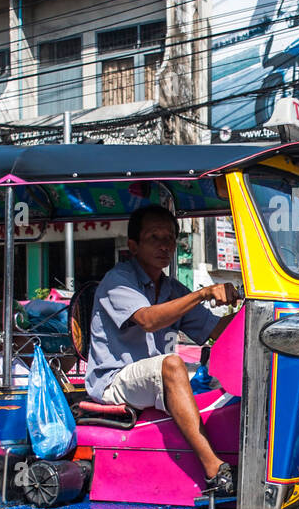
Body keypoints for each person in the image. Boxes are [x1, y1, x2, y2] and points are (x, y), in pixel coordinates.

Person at [85, 205, 240, 494]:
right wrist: (203, 293)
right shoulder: (117, 280)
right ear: (133, 246)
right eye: (154, 237)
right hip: (112, 382)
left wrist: (253, 307)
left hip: (148, 382)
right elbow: (148, 319)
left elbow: (215, 331)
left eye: (169, 238)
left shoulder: (172, 289)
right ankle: (214, 470)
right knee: (171, 364)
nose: (164, 245)